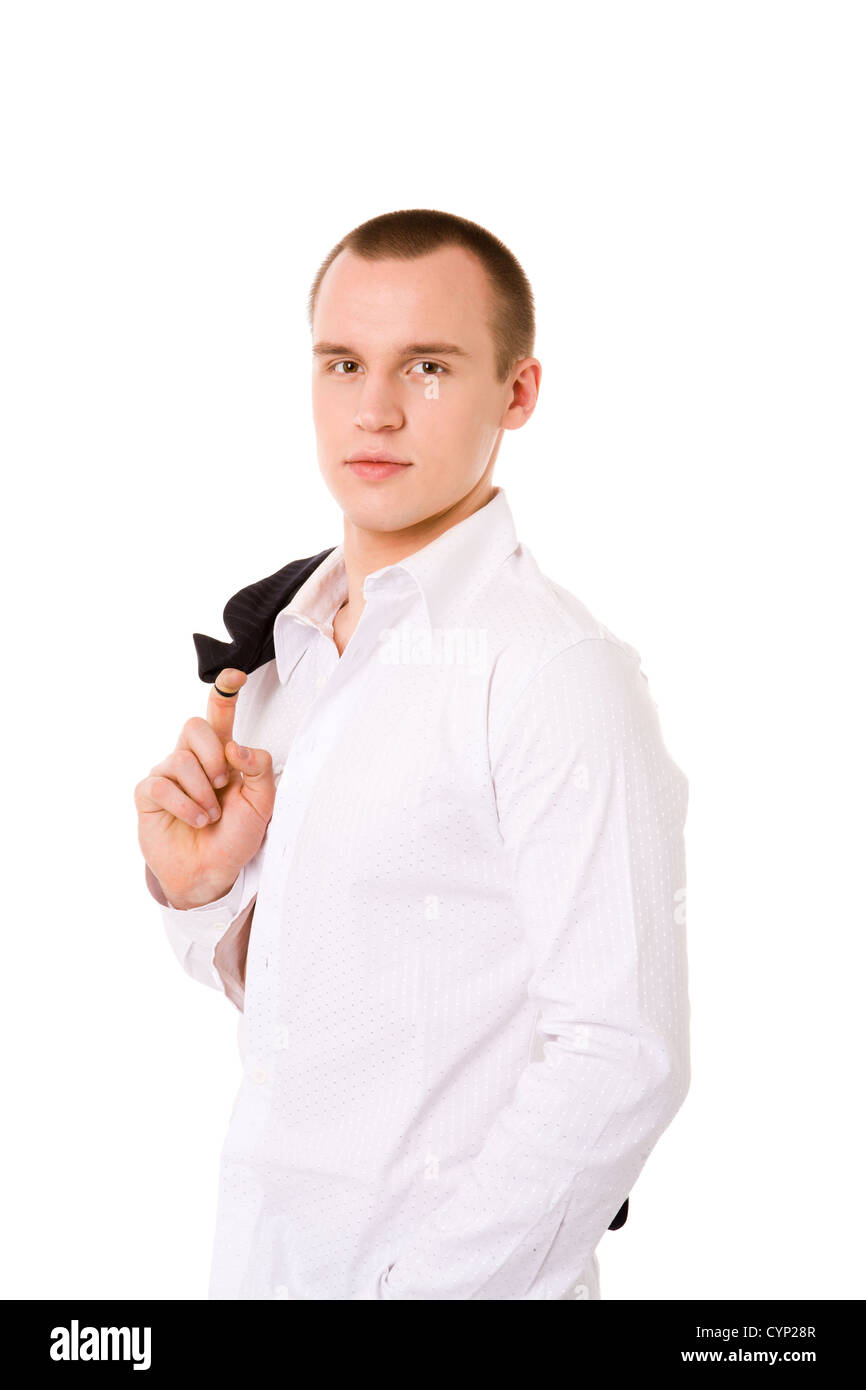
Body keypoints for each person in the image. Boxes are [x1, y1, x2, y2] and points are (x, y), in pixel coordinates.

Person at [134, 208, 691, 1301]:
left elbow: (620, 1058)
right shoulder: (286, 651)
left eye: (427, 367)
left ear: (516, 393)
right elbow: (347, 999)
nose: (374, 409)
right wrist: (195, 894)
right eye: (343, 363)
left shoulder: (553, 671)